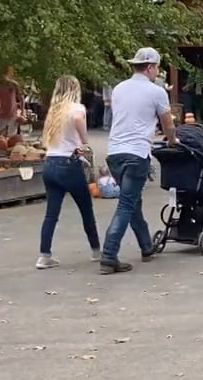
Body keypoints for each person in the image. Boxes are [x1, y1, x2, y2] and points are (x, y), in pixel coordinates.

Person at [100, 48, 178, 274]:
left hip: (115, 152)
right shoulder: (156, 92)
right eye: (157, 68)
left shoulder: (119, 88)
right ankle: (109, 255)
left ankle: (146, 247)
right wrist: (172, 140)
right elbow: (167, 123)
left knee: (133, 202)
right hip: (137, 153)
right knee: (126, 204)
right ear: (150, 67)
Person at [36, 75, 102, 270]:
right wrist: (84, 141)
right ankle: (96, 250)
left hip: (50, 163)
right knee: (85, 208)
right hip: (68, 163)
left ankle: (44, 255)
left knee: (51, 213)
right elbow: (77, 118)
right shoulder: (76, 108)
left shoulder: (53, 111)